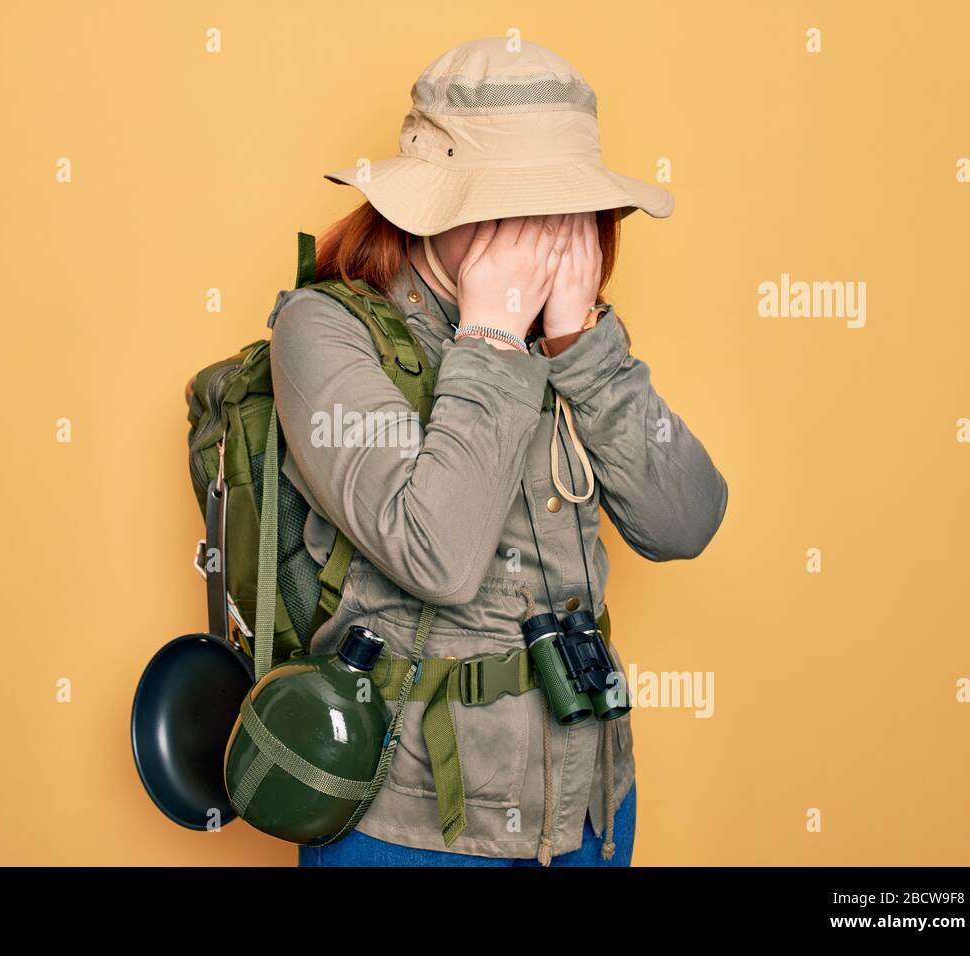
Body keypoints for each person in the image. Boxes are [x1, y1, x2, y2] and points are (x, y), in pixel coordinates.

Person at [269, 37, 727, 867]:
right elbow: (436, 556)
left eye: (567, 212)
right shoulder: (326, 329)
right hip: (412, 826)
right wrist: (489, 336)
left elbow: (687, 519)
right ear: (430, 208)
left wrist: (583, 347)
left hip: (589, 808)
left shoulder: (570, 338)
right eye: (519, 211)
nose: (547, 241)